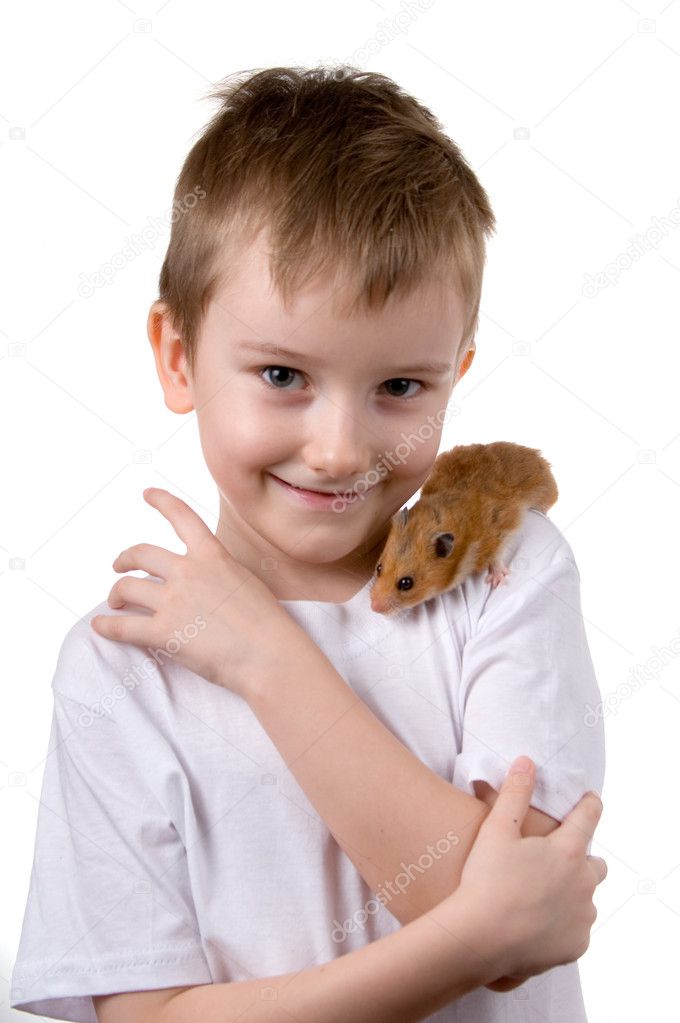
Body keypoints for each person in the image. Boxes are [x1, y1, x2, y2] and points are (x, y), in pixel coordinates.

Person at [10, 66, 606, 1023]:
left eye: (401, 388)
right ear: (178, 357)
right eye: (283, 373)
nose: (339, 450)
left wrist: (267, 660)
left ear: (456, 373)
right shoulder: (121, 666)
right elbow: (147, 1014)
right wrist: (470, 938)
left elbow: (519, 899)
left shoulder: (501, 572)